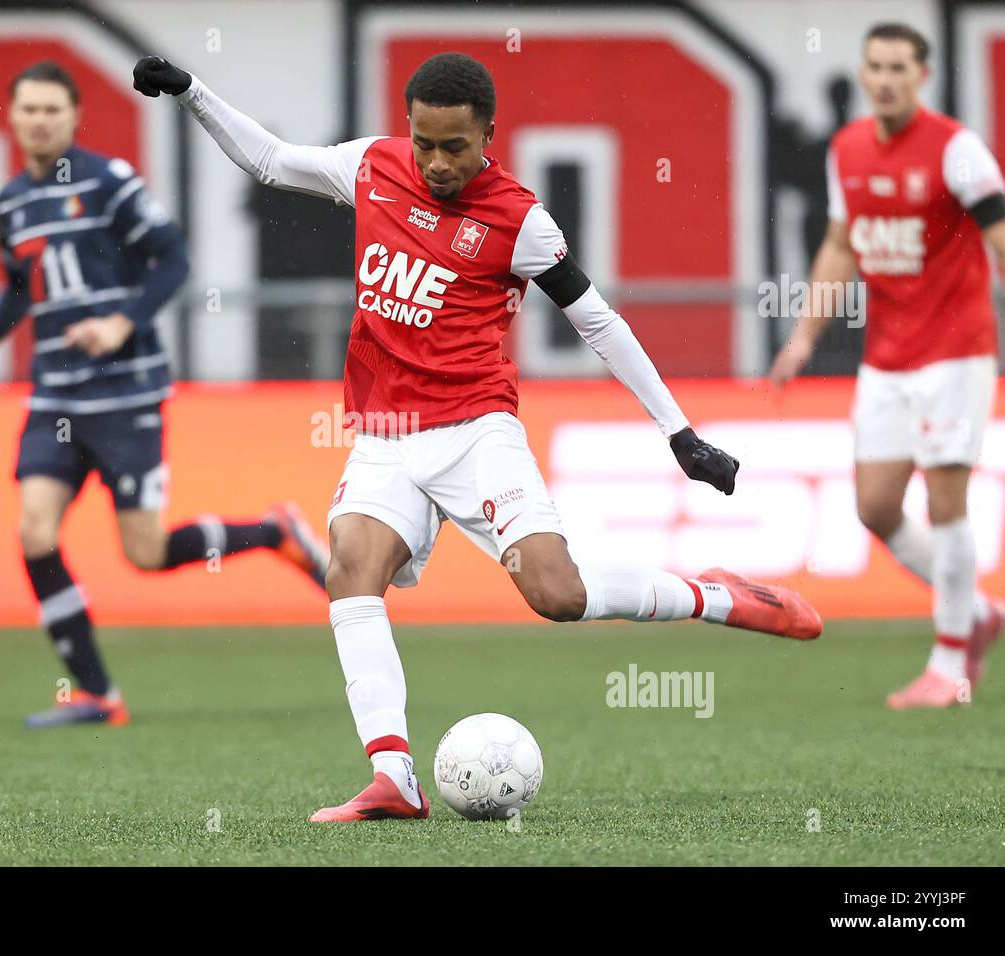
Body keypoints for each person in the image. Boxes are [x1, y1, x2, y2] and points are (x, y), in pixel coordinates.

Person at [135, 51, 820, 820]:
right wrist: (193, 92)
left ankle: (713, 596)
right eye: (424, 142)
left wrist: (679, 432)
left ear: (488, 134)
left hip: (474, 432)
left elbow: (597, 321)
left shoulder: (520, 218)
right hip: (386, 433)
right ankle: (394, 774)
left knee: (556, 596)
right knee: (350, 573)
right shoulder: (370, 165)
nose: (435, 162)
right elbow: (267, 161)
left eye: (454, 146)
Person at [0, 61, 328, 729]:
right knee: (34, 532)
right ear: (11, 118)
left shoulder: (108, 182)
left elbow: (173, 259)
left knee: (145, 553)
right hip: (56, 396)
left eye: (52, 110)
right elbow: (17, 288)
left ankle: (273, 532)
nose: (39, 120)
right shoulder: (10, 203)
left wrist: (120, 322)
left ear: (73, 117)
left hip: (127, 394)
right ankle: (97, 694)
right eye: (28, 109)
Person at [770, 24, 1005, 709]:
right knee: (875, 507)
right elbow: (841, 246)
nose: (884, 78)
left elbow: (1004, 239)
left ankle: (950, 661)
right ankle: (979, 614)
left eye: (898, 67)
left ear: (922, 74)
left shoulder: (957, 150)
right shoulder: (847, 149)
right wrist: (803, 338)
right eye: (874, 65)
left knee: (944, 502)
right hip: (887, 358)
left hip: (956, 353)